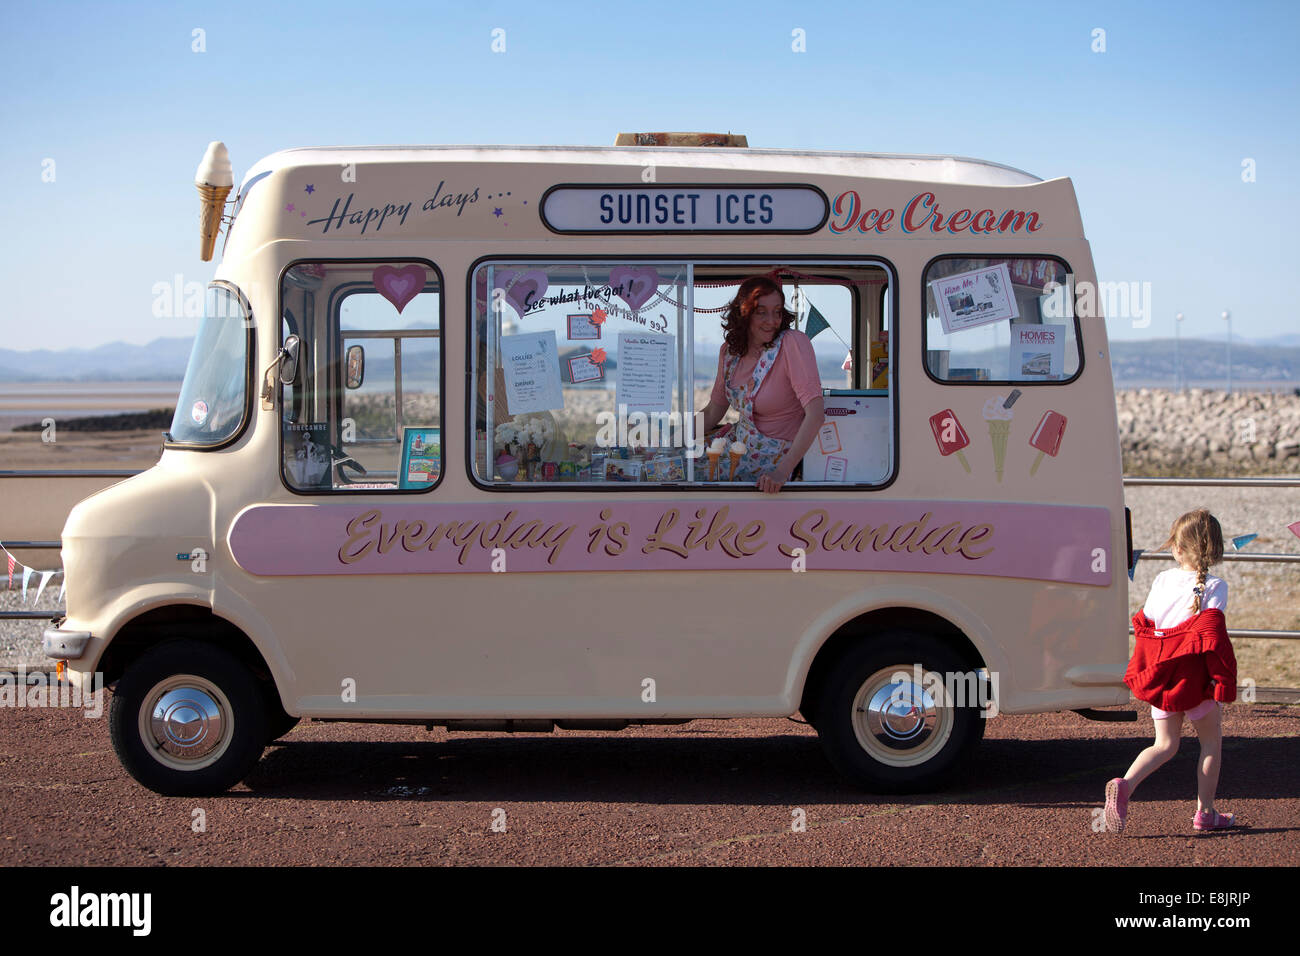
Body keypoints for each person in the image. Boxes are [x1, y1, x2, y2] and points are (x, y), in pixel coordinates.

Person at [1104, 509, 1238, 833]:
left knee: (1164, 745)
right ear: (1215, 550)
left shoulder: (1162, 579)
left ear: (1177, 549)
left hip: (1162, 677)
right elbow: (1210, 635)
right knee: (1210, 743)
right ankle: (1205, 813)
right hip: (1194, 680)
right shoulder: (1216, 586)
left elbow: (1149, 624)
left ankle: (1126, 784)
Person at [699, 276, 825, 493]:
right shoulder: (729, 352)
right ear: (744, 314)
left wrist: (781, 473)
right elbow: (712, 412)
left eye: (777, 312)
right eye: (761, 312)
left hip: (775, 466)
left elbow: (816, 415)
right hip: (738, 454)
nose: (771, 320)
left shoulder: (792, 343)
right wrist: (672, 442)